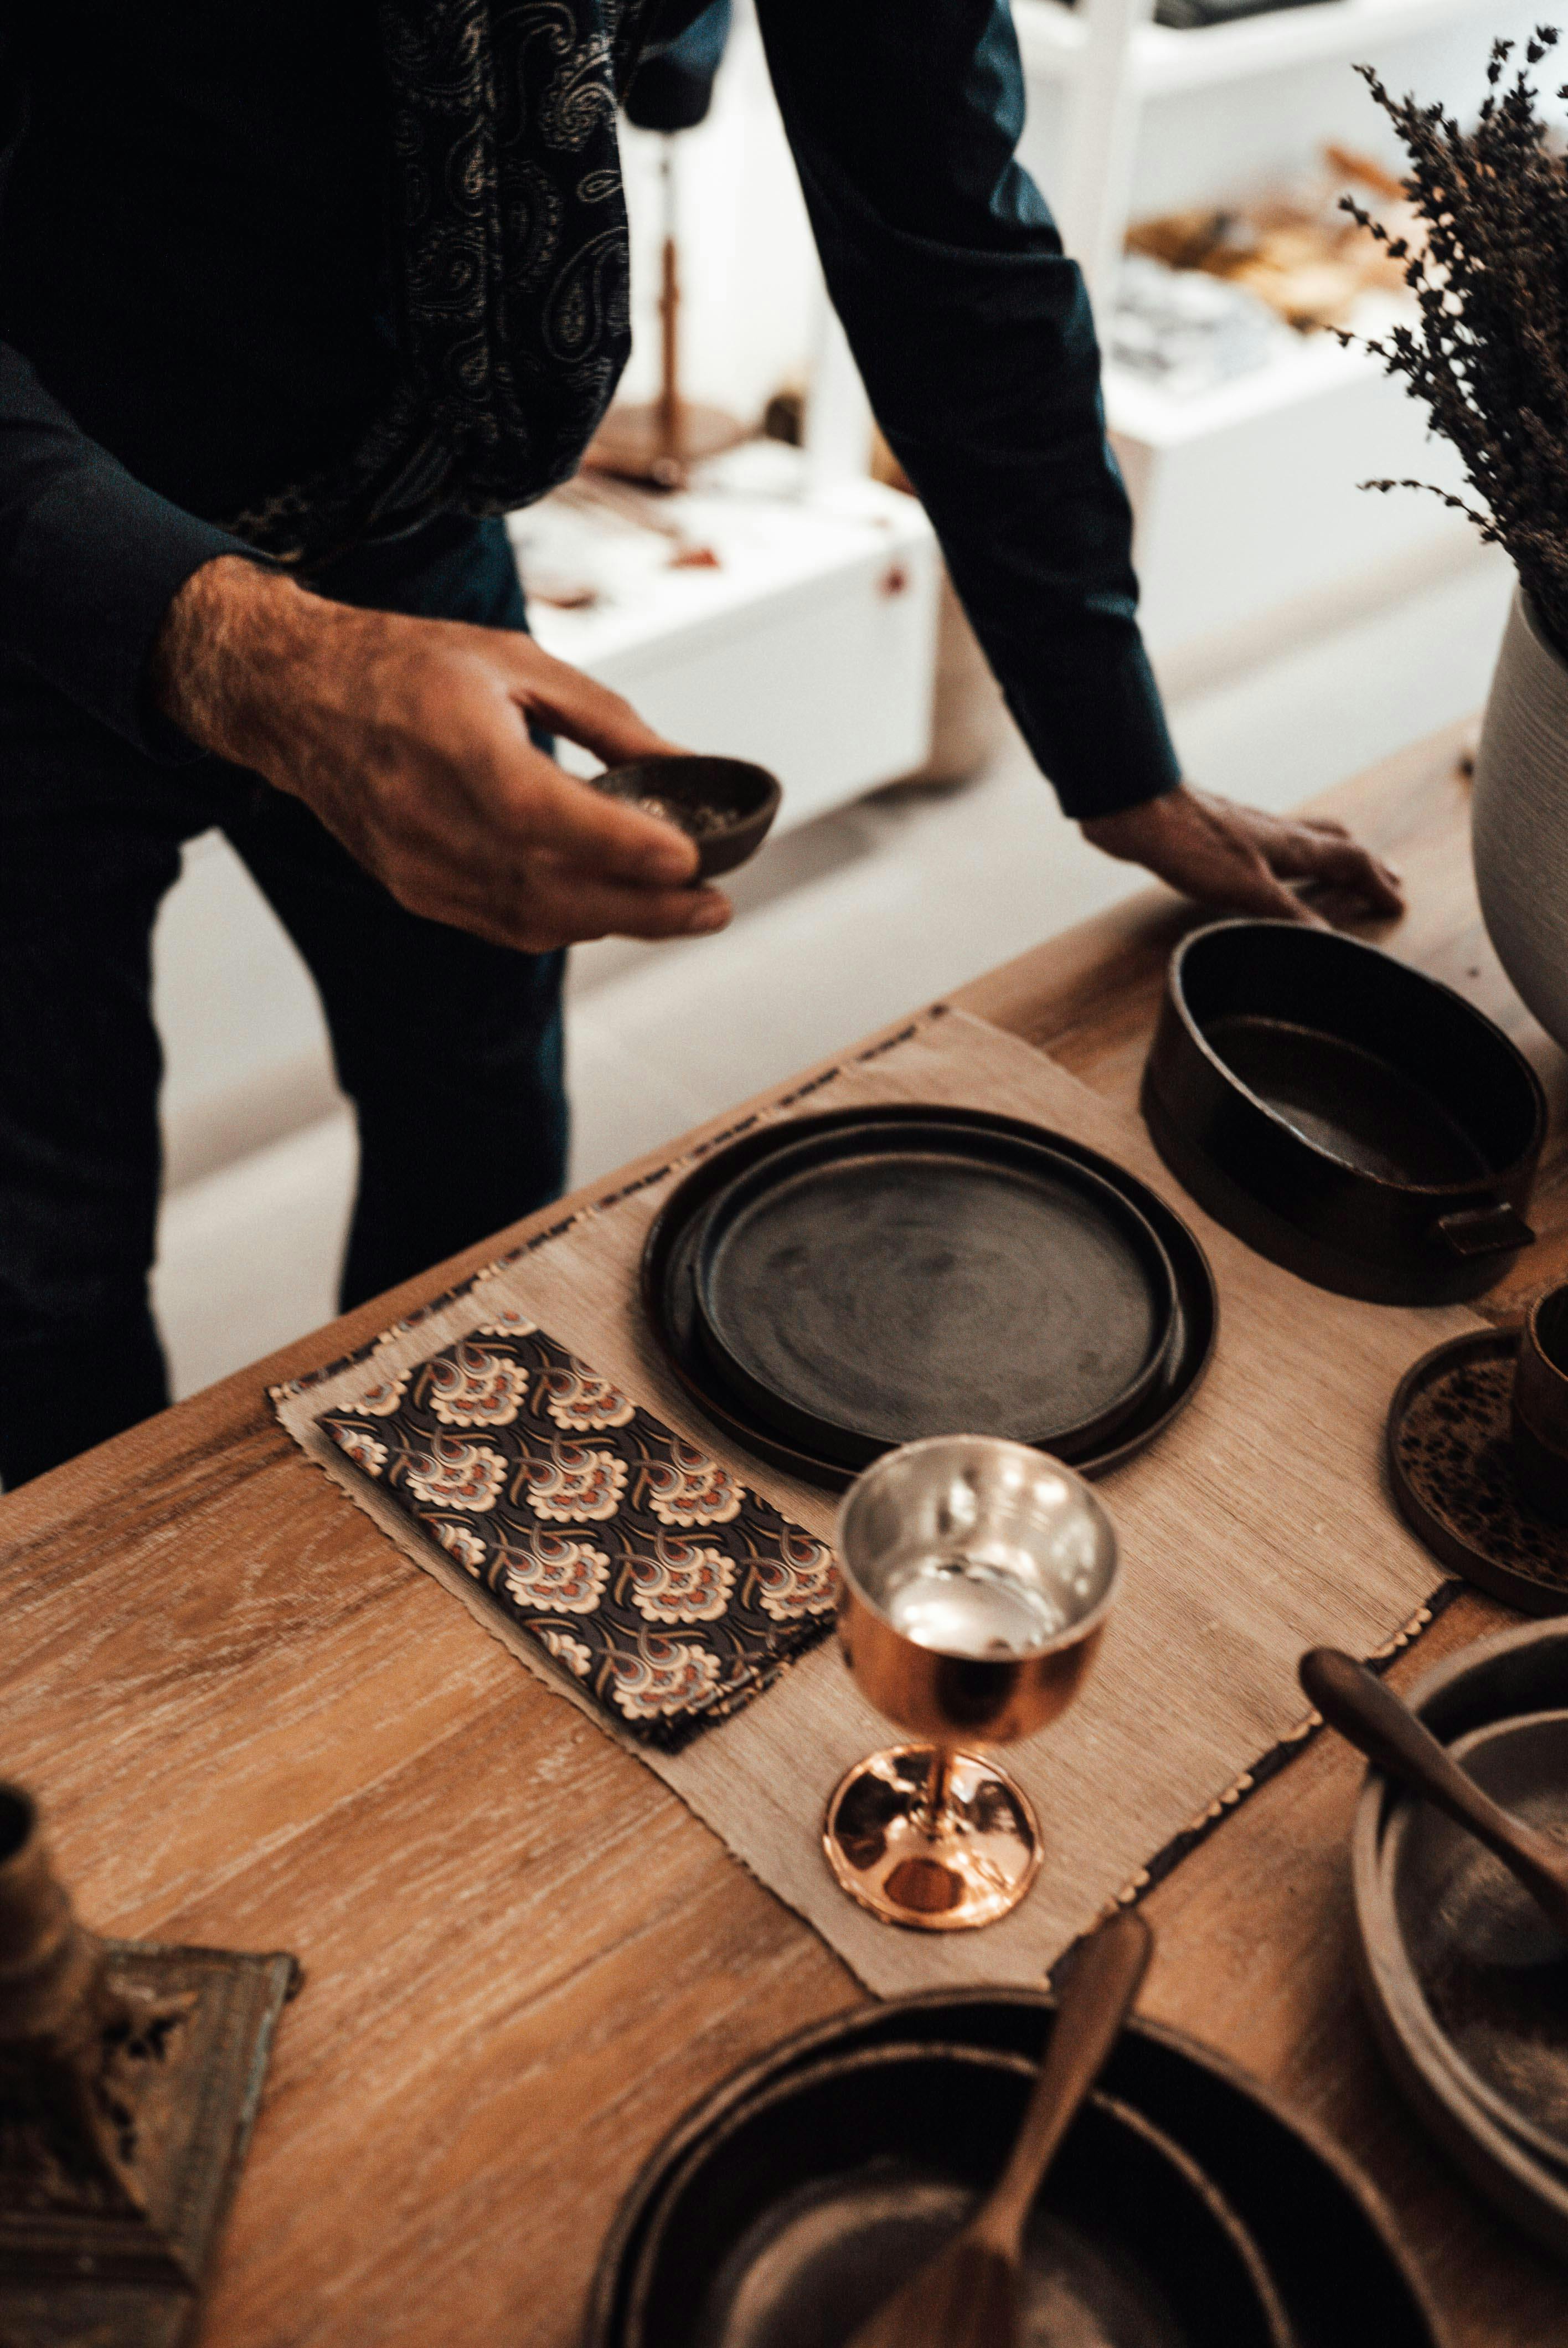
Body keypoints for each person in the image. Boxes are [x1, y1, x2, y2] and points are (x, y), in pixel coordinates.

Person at [0, 2, 1401, 1489]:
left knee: (480, 1113)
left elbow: (944, 211)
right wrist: (244, 649)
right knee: (37, 1256)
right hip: (34, 564)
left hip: (410, 532)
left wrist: (1114, 749)